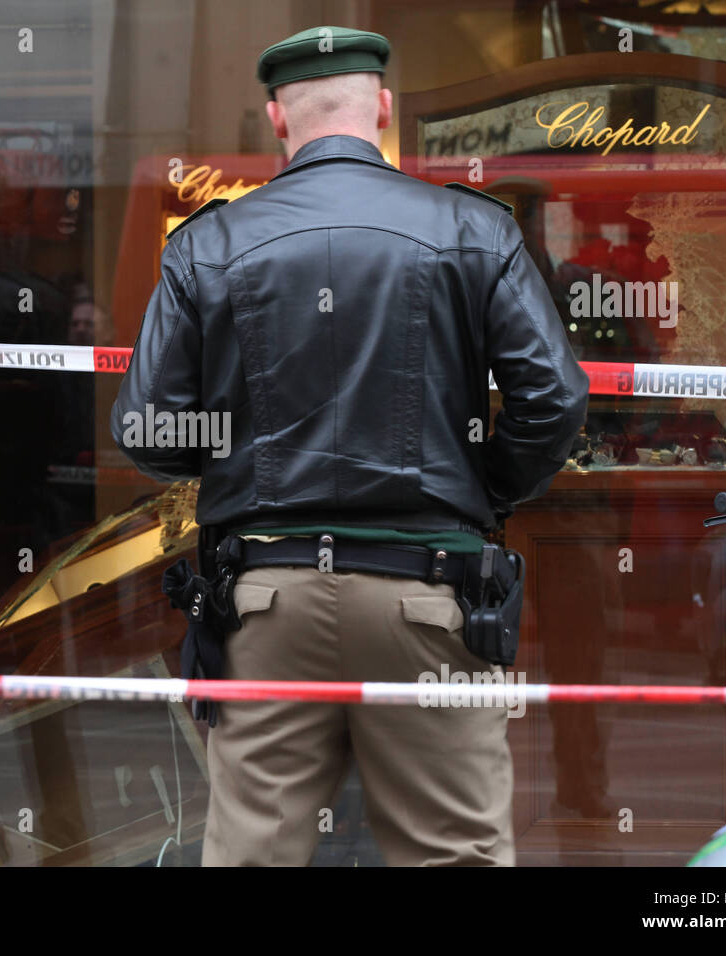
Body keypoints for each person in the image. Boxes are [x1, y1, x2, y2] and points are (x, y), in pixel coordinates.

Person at [111, 27, 589, 865]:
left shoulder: (208, 244)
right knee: (455, 854)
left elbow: (146, 425)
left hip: (266, 601)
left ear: (276, 118)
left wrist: (240, 463)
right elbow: (553, 400)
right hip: (431, 595)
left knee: (253, 855)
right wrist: (482, 488)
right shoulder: (472, 229)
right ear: (385, 110)